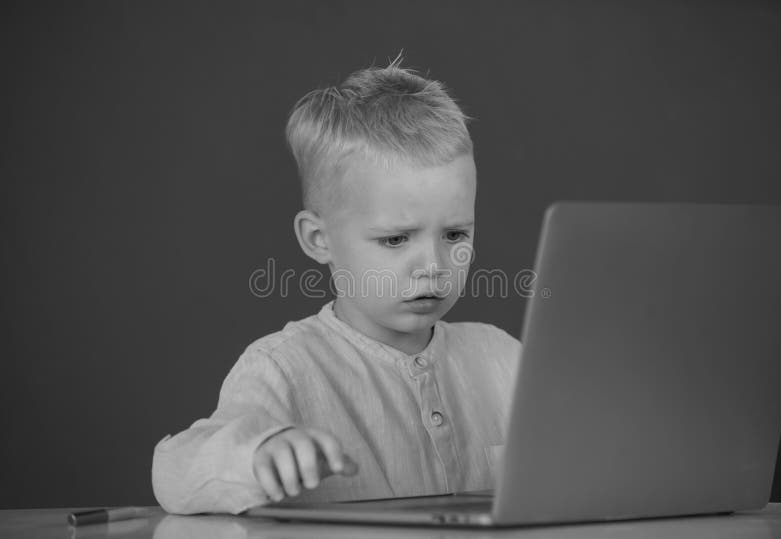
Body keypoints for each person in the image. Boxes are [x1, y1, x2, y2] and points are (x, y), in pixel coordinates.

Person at [151, 57, 521, 515]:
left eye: (455, 235)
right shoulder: (285, 369)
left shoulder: (502, 359)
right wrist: (259, 451)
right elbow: (174, 472)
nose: (433, 266)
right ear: (319, 239)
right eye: (395, 239)